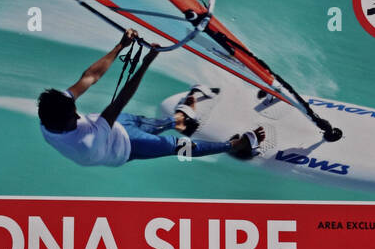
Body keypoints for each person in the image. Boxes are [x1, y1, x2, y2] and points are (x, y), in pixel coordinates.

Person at [37, 30, 257, 167]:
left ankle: (180, 120)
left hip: (116, 123)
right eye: (73, 118)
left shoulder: (51, 112)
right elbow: (121, 99)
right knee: (176, 146)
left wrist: (120, 46)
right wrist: (147, 61)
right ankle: (234, 145)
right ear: (62, 123)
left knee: (154, 123)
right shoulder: (86, 143)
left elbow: (90, 76)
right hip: (126, 147)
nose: (77, 116)